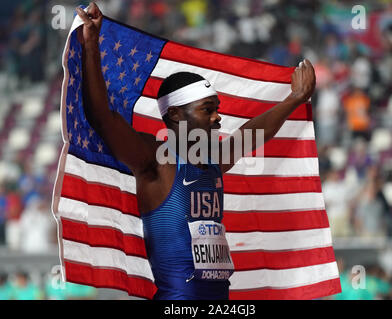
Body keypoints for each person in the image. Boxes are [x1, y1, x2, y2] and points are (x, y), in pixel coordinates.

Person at [76, 3, 315, 300]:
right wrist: (91, 44)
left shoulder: (210, 161)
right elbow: (102, 118)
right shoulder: (156, 160)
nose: (218, 118)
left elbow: (251, 134)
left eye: (216, 110)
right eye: (208, 110)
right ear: (176, 114)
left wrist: (294, 99)